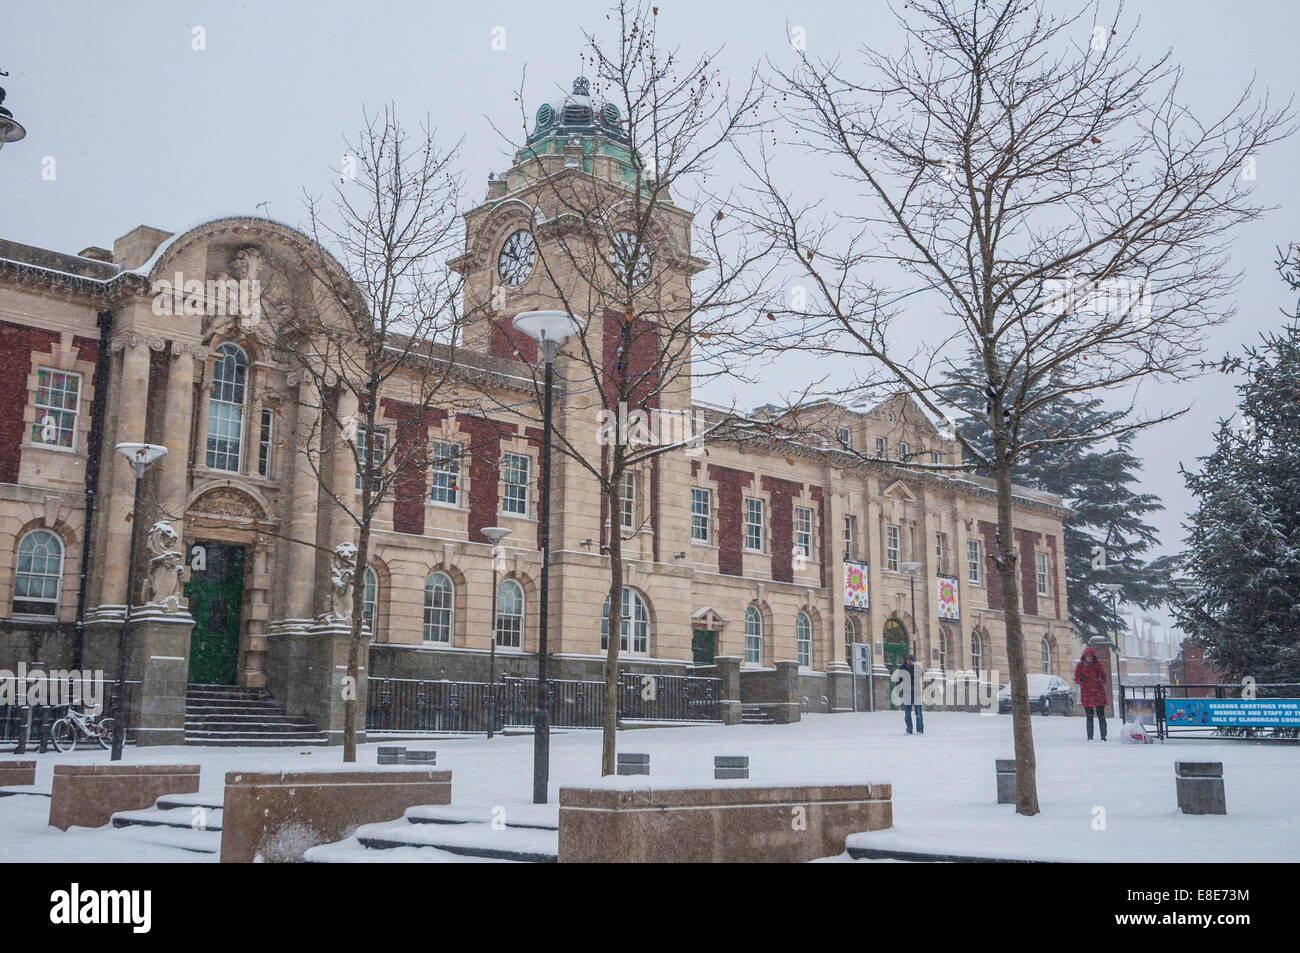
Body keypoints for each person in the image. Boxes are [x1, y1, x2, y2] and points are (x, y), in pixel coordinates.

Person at [1074, 646, 1108, 741]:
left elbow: (1104, 677)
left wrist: (1101, 678)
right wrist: (1081, 679)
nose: (1089, 658)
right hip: (1087, 694)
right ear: (1084, 657)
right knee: (1089, 716)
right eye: (1087, 656)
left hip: (1098, 694)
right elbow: (1077, 678)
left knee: (1101, 715)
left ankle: (1103, 736)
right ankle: (1090, 736)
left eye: (1091, 656)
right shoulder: (1080, 666)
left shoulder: (1097, 665)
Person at [893, 653, 924, 734]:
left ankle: (920, 730)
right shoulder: (902, 669)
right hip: (906, 693)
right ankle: (909, 730)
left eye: (911, 660)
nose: (910, 661)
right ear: (906, 660)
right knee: (907, 714)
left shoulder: (917, 668)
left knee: (918, 713)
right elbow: (898, 681)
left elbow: (921, 673)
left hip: (916, 693)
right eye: (908, 660)